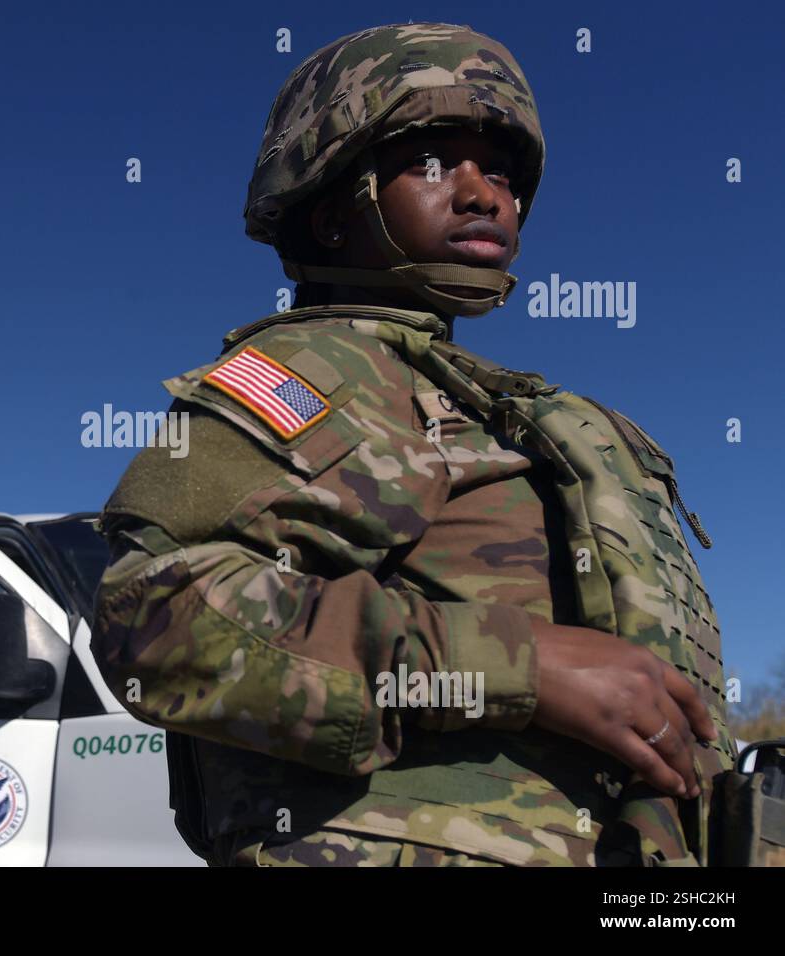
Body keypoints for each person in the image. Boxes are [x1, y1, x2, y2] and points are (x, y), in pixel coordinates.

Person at [90, 21, 736, 867]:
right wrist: (520, 665)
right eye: (436, 165)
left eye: (500, 171)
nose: (483, 194)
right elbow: (152, 612)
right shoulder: (321, 369)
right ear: (330, 212)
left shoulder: (504, 407)